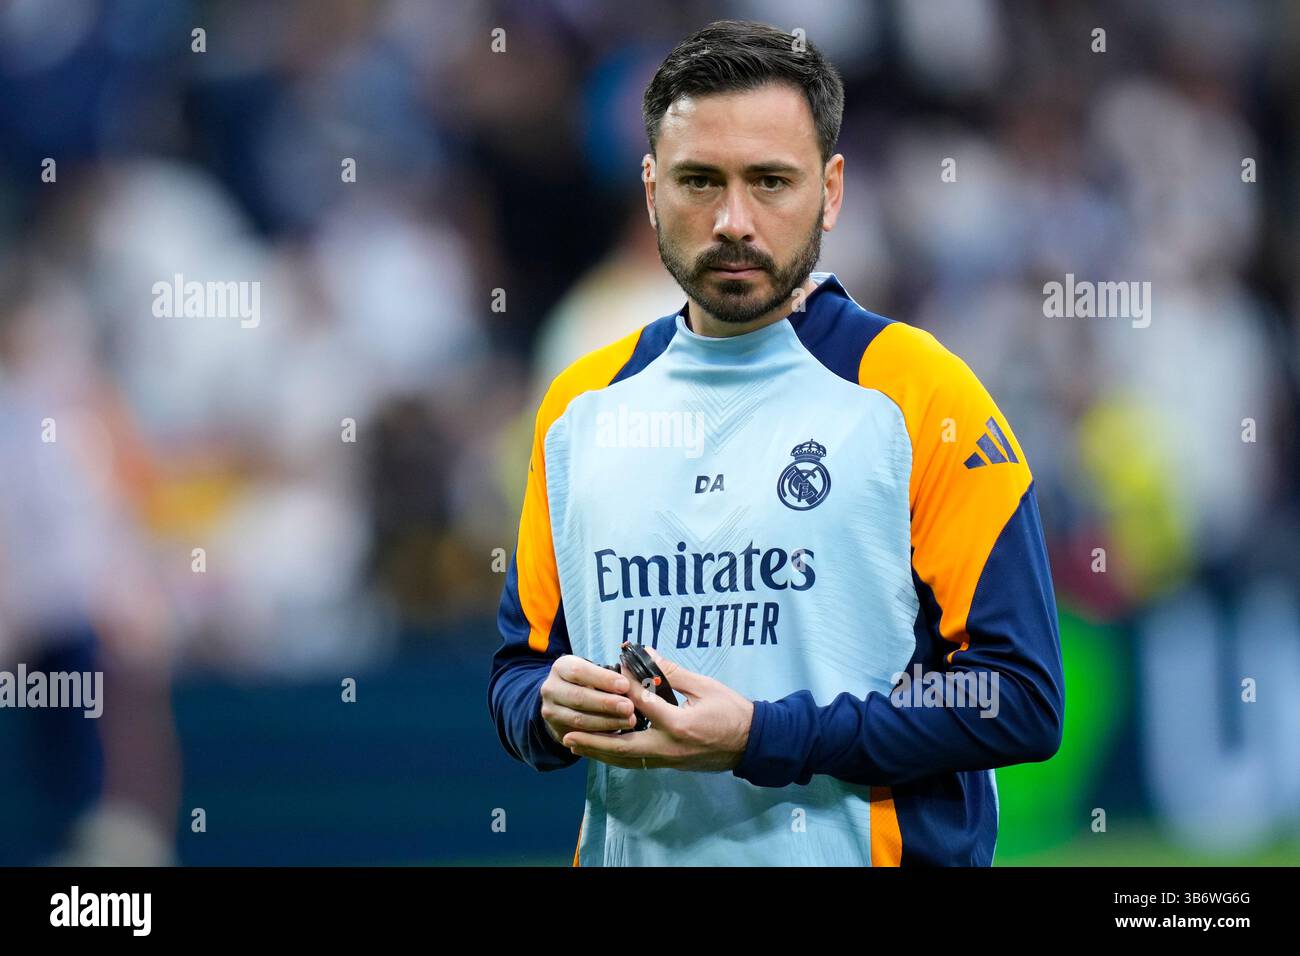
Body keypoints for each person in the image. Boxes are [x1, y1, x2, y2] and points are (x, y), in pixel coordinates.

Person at [487, 19, 1064, 866]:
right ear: (650, 189)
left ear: (830, 189)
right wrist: (546, 708)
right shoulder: (581, 405)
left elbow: (1015, 695)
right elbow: (517, 673)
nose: (733, 220)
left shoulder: (918, 393)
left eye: (770, 181)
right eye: (697, 181)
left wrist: (763, 735)